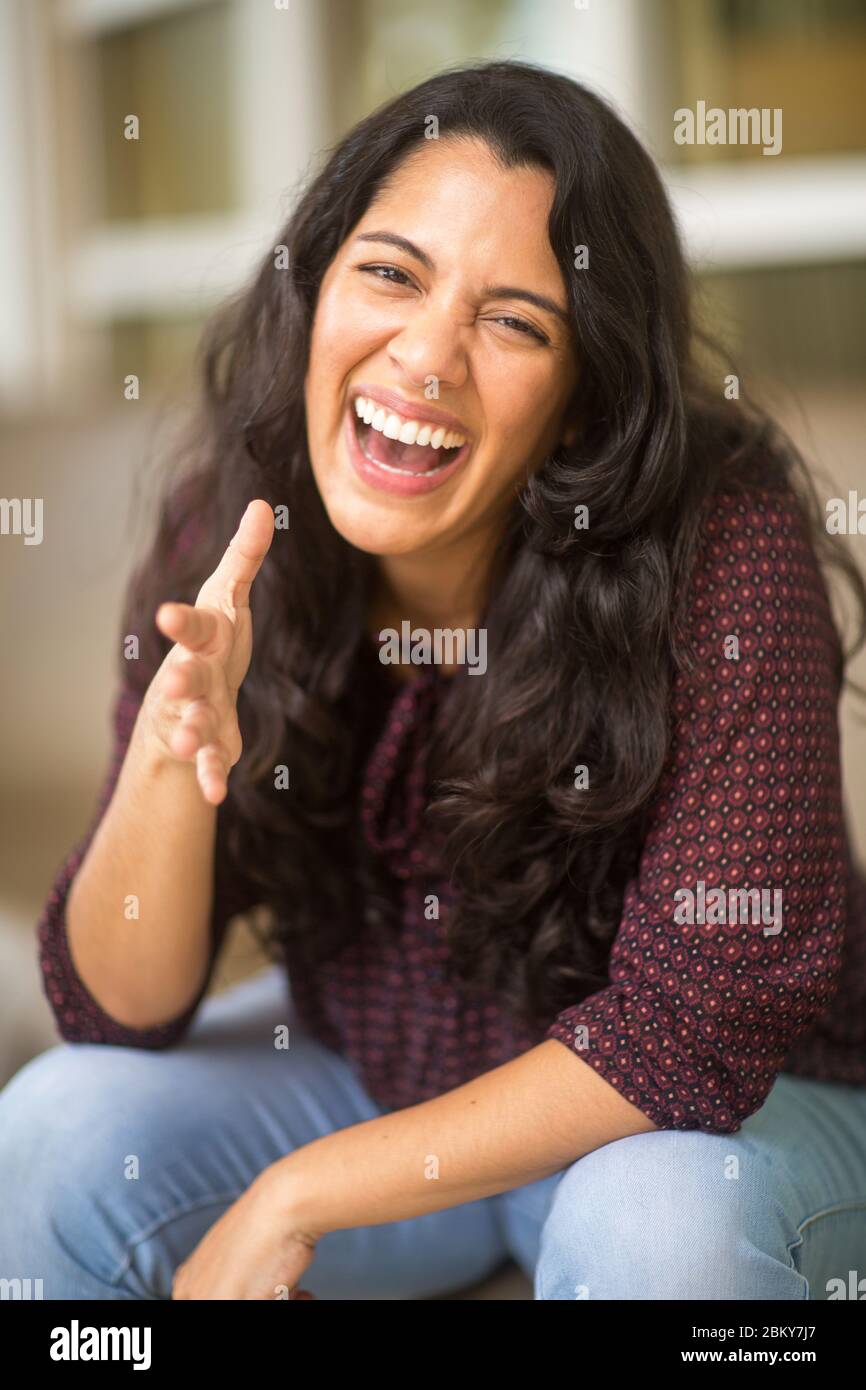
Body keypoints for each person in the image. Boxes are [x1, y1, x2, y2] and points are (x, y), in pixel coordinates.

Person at [2, 60, 865, 1301]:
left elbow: (695, 1034)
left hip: (712, 1120)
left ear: (578, 404)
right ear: (315, 288)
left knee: (655, 1226)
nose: (424, 355)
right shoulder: (236, 524)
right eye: (391, 272)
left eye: (513, 320)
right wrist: (164, 766)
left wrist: (297, 1191)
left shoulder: (721, 543)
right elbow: (114, 1010)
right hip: (390, 1075)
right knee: (51, 1132)